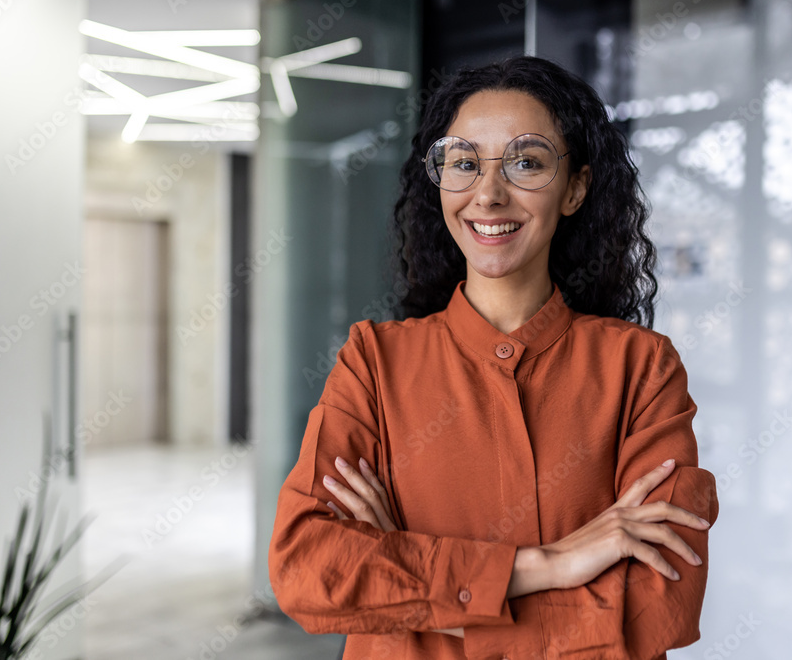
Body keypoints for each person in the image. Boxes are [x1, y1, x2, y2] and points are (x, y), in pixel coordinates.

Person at [268, 55, 718, 660]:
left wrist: (415, 598)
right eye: (463, 164)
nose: (488, 193)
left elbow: (659, 608)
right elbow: (307, 569)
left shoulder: (641, 368)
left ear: (575, 188)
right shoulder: (373, 364)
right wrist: (548, 566)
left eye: (526, 162)